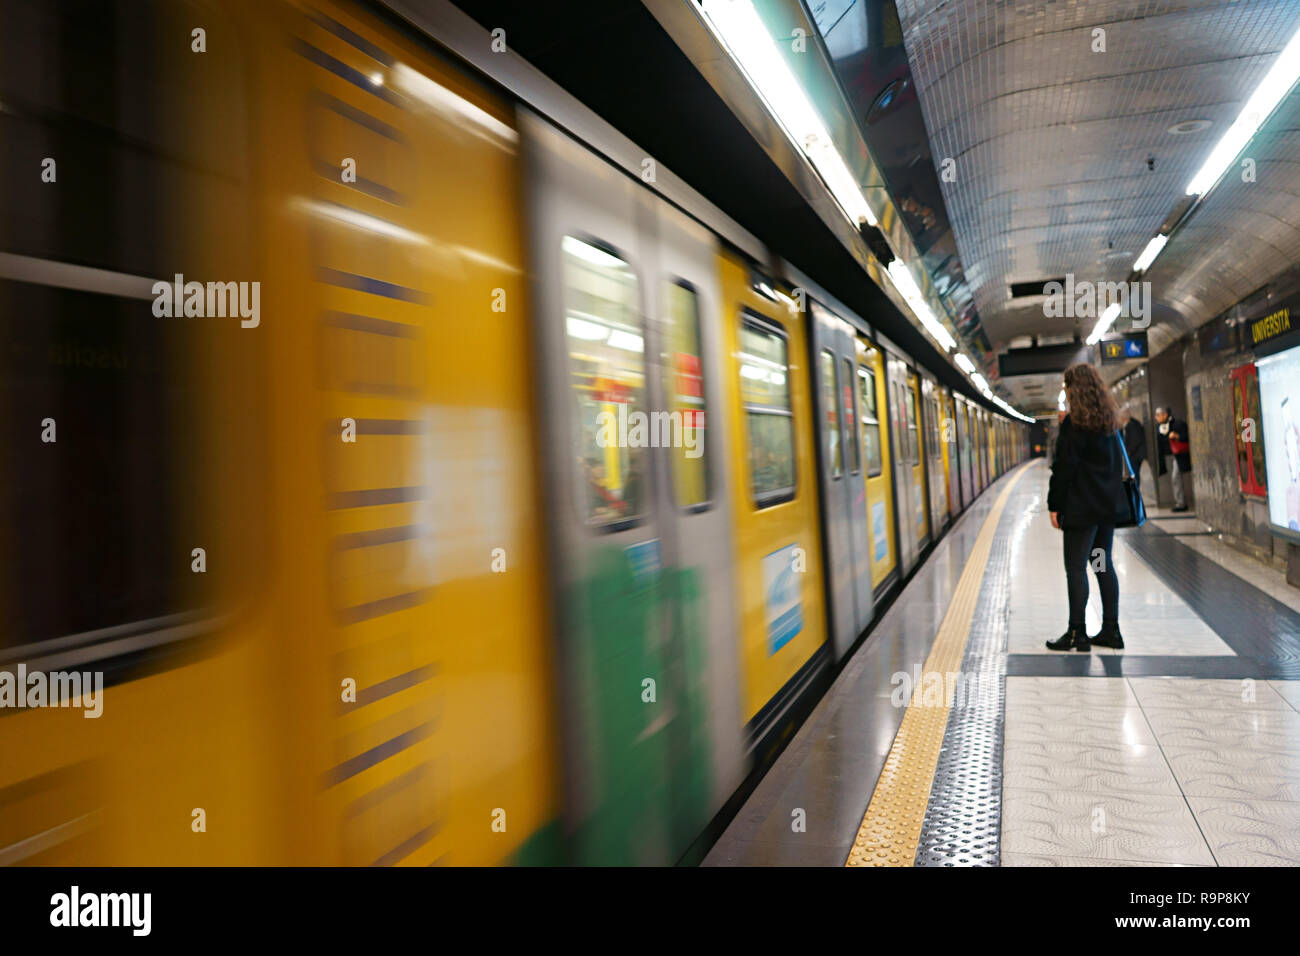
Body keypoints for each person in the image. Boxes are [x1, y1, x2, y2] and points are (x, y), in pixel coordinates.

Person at [1046, 363, 1126, 652]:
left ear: (1074, 389)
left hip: (1082, 511)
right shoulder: (1109, 421)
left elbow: (1064, 468)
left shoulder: (1076, 423)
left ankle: (1076, 632)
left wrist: (1054, 504)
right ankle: (1111, 630)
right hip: (1106, 510)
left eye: (1067, 387)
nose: (1065, 392)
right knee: (1102, 563)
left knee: (1076, 567)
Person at [1154, 406, 1192, 512]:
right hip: (1167, 457)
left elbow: (1188, 435)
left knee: (1176, 477)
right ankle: (1179, 501)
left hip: (1178, 455)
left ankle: (1181, 503)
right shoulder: (1159, 428)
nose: (1156, 417)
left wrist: (1177, 436)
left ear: (1165, 415)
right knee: (1174, 479)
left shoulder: (1177, 424)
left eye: (1158, 415)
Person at [1119, 406, 1147, 488]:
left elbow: (1136, 441)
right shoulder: (1127, 425)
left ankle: (1136, 490)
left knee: (1135, 475)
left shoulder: (1132, 425)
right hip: (1133, 455)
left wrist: (1128, 451)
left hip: (1136, 456)